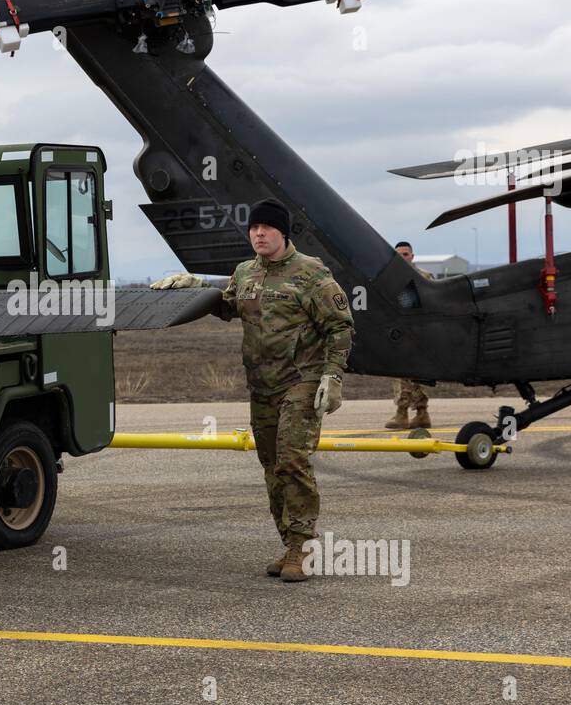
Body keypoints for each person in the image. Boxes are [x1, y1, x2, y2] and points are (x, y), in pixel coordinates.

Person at [152, 199, 354, 582]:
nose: (259, 234)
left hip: (301, 382)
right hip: (262, 386)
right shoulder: (245, 272)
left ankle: (301, 548)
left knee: (293, 461)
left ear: (283, 232)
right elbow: (229, 307)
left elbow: (340, 327)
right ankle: (286, 542)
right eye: (254, 228)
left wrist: (333, 376)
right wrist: (196, 287)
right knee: (272, 467)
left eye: (267, 228)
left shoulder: (311, 274)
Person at [385, 241, 431, 430]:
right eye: (398, 255)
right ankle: (412, 413)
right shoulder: (390, 279)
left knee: (417, 375)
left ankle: (413, 413)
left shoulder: (424, 277)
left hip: (420, 333)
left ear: (412, 256)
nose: (402, 258)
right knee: (399, 374)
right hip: (400, 332)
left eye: (405, 254)